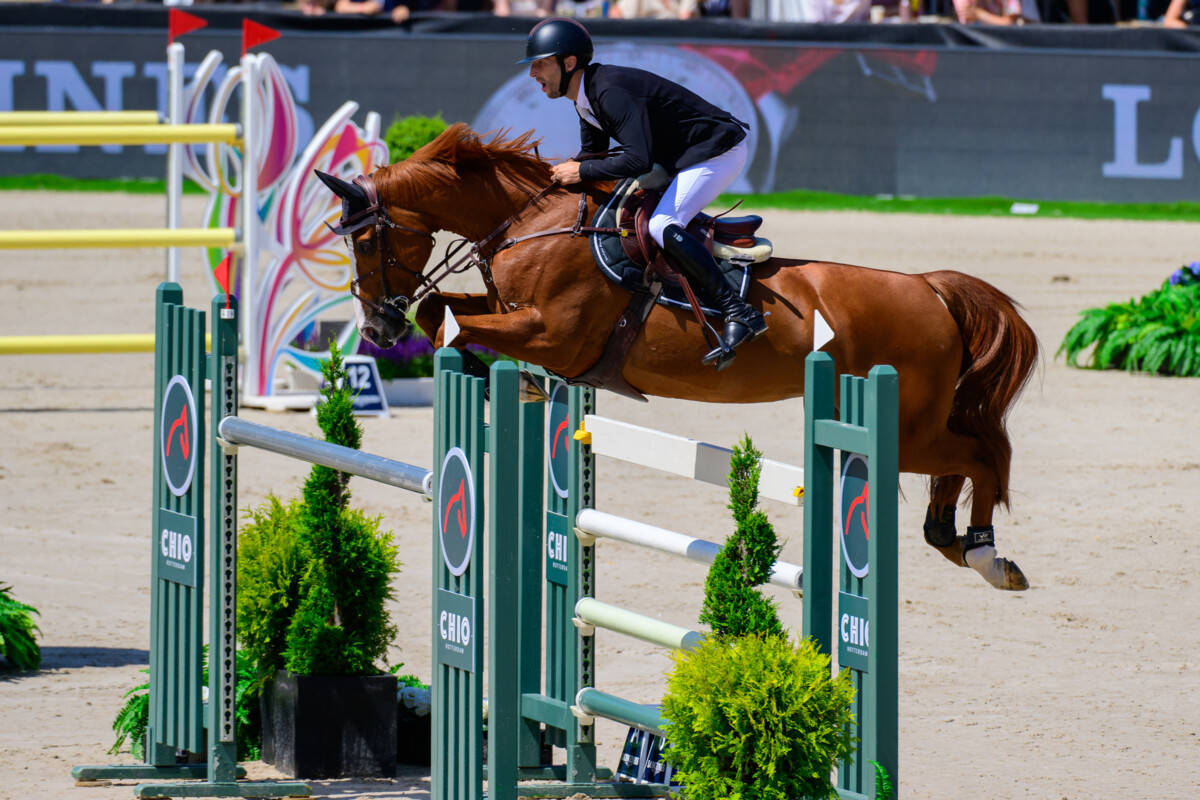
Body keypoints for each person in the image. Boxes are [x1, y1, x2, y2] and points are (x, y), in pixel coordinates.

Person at [517, 17, 768, 368]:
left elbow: (637, 159)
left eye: (540, 64)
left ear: (568, 63)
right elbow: (592, 158)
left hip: (717, 152)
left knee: (661, 224)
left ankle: (739, 312)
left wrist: (581, 170)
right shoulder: (585, 98)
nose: (532, 74)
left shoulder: (608, 92)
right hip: (684, 156)